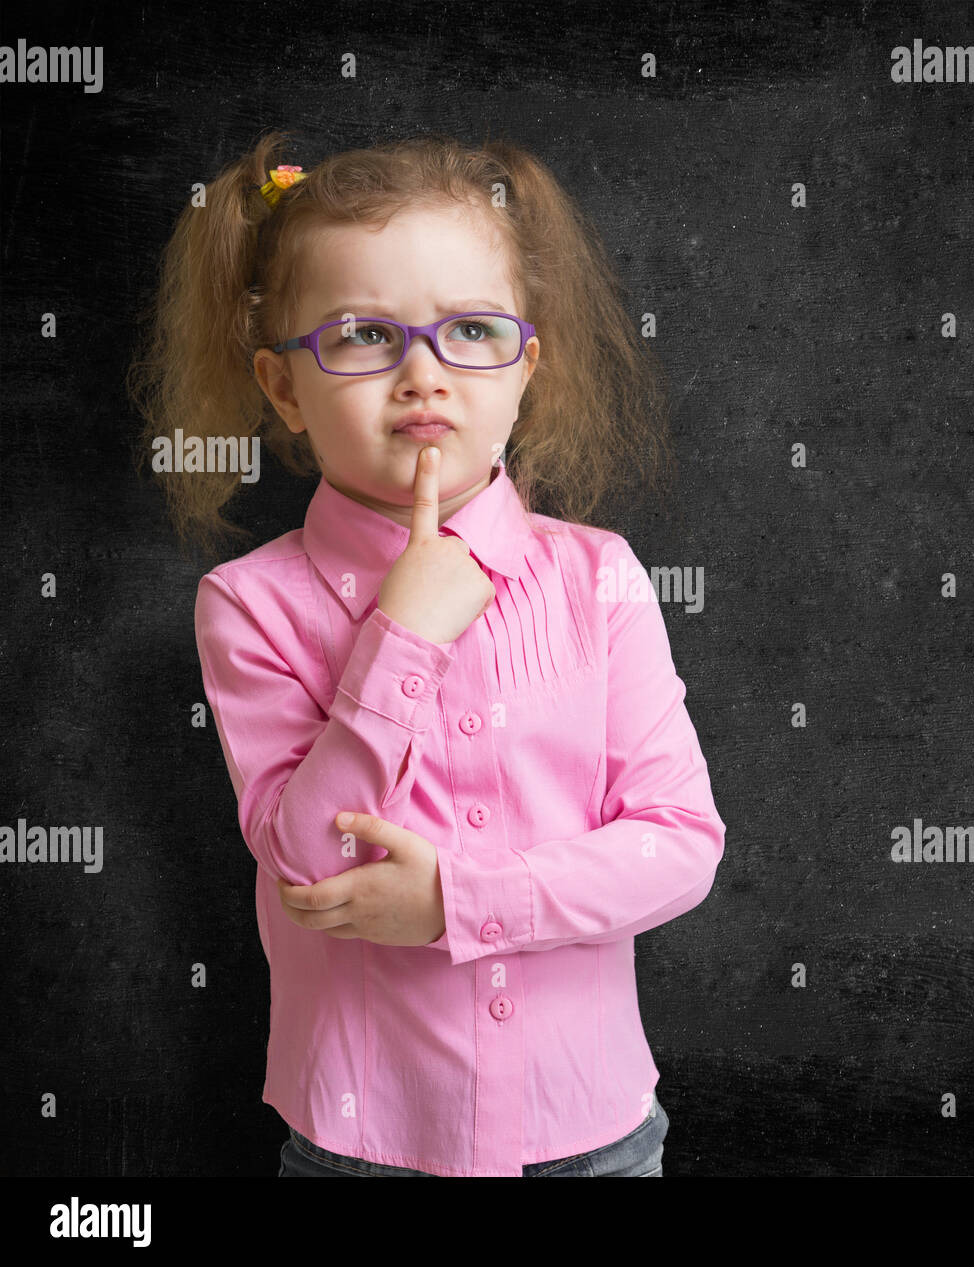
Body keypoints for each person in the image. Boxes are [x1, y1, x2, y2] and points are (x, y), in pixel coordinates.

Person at [127, 129, 726, 1177]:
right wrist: (396, 640)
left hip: (588, 1134)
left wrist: (460, 903)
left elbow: (679, 843)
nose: (423, 378)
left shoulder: (600, 579)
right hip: (366, 1144)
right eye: (363, 335)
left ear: (525, 366)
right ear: (281, 387)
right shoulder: (249, 605)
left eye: (473, 331)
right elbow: (308, 862)